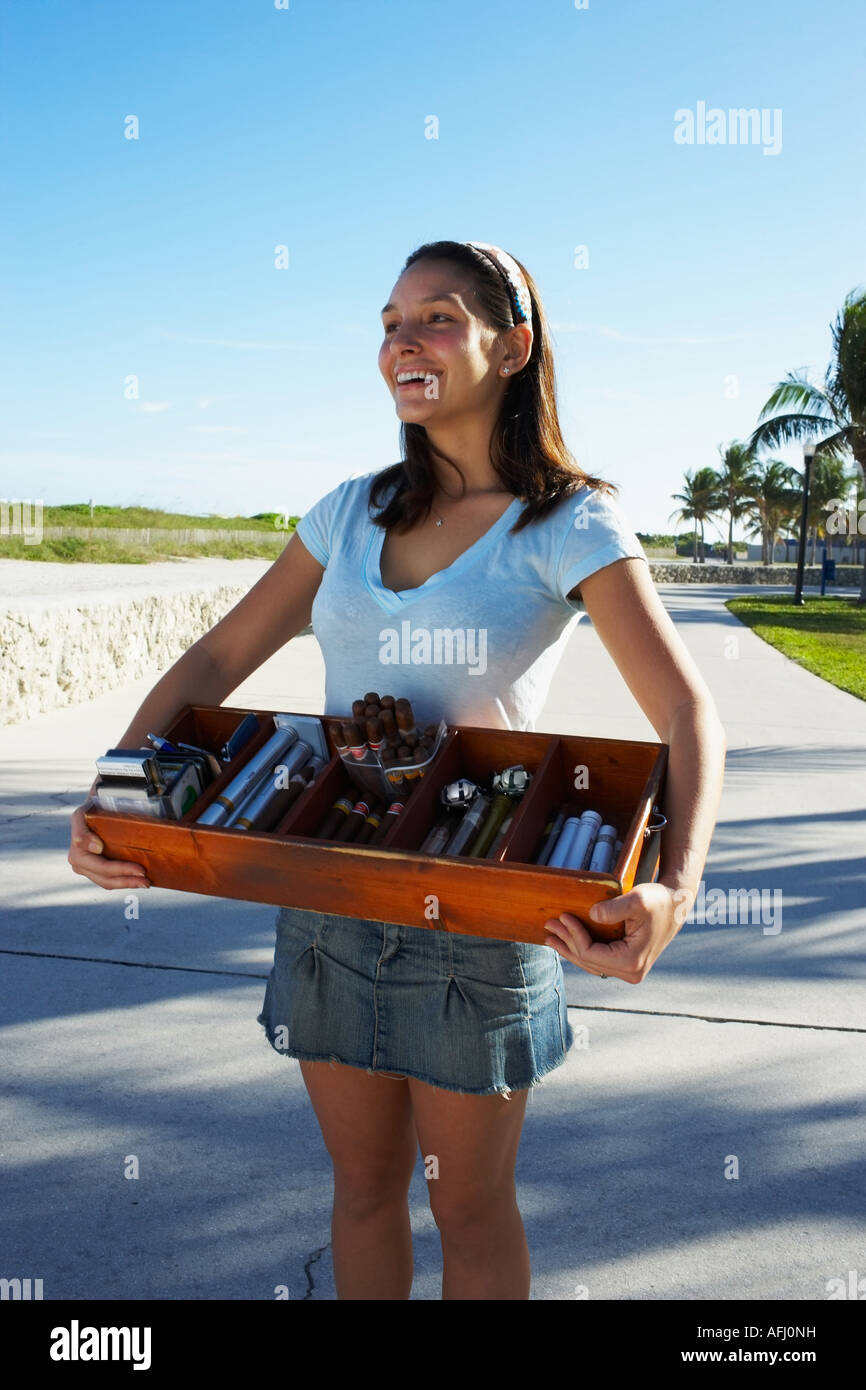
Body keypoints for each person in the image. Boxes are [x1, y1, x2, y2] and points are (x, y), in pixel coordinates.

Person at [69, 239, 726, 1301]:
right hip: (328, 899)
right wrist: (117, 792)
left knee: (466, 1208)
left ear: (511, 346)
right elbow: (214, 660)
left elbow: (687, 711)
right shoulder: (346, 511)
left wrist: (677, 889)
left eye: (434, 318)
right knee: (362, 1186)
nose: (400, 342)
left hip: (474, 915)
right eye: (387, 321)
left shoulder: (566, 521)